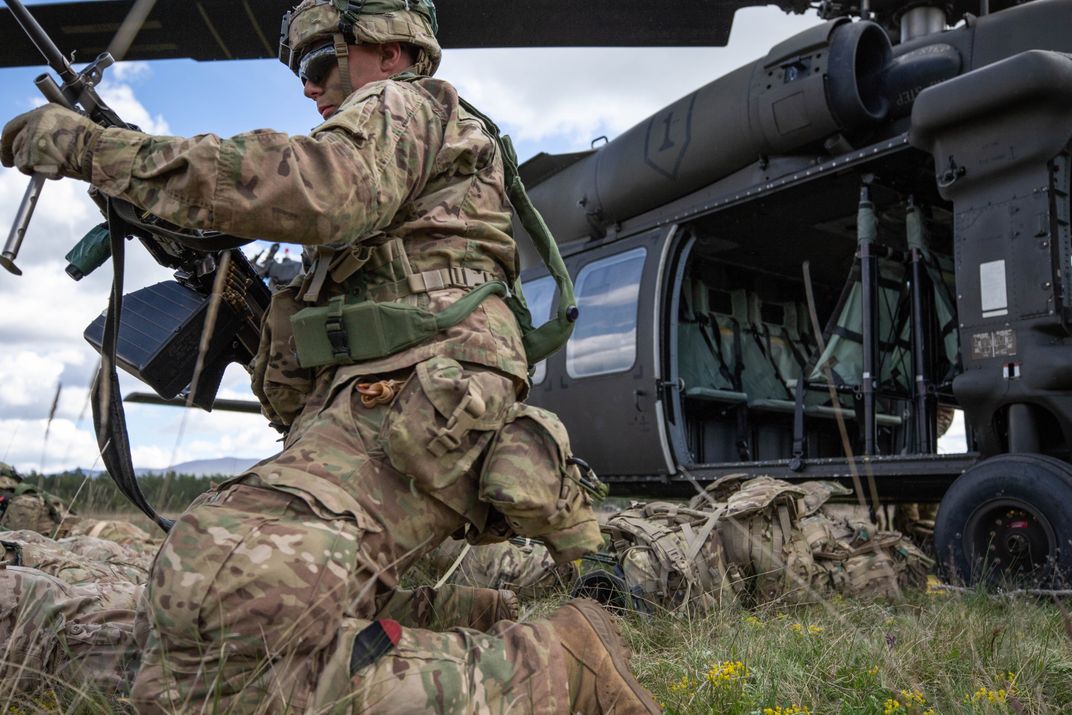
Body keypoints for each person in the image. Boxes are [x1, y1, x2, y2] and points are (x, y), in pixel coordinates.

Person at [1, 1, 660, 712]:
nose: (309, 87)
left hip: (419, 397)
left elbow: (314, 187)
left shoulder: (402, 103)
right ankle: (453, 614)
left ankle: (557, 668)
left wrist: (99, 150)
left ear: (389, 51)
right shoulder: (398, 163)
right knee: (207, 616)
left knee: (216, 580)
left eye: (320, 62)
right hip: (401, 398)